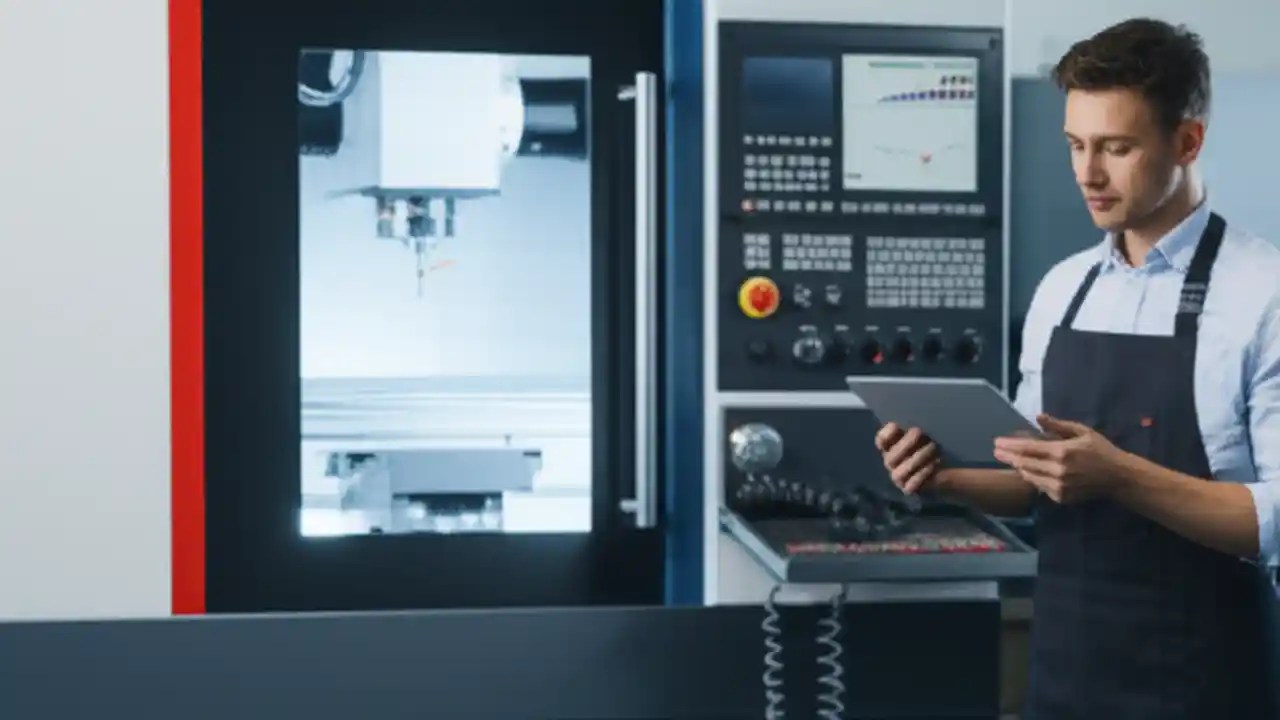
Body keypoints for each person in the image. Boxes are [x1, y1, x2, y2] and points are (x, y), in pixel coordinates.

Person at [874, 17, 1280, 718]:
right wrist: (946, 477)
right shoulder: (1064, 288)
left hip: (1206, 681)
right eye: (1076, 145)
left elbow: (1275, 517)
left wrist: (1119, 474)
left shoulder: (1262, 294)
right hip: (1067, 674)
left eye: (1116, 148)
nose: (1088, 173)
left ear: (1188, 141)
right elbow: (1034, 477)